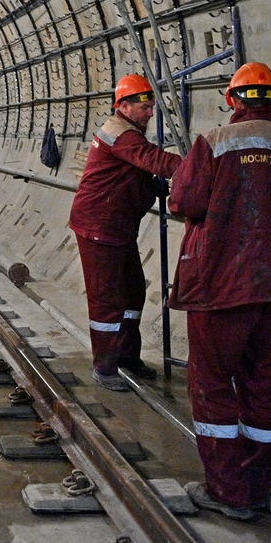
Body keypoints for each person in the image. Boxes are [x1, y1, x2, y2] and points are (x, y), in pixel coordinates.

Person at [167, 62, 271, 521]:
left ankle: (227, 490)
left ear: (233, 100)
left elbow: (183, 202)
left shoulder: (216, 141)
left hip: (220, 285)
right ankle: (256, 484)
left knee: (212, 386)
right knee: (261, 386)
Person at [69, 74, 182, 391]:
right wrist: (201, 166)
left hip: (117, 226)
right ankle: (105, 367)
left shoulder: (128, 131)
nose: (150, 114)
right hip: (99, 226)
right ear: (123, 106)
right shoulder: (122, 134)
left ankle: (127, 357)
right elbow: (154, 160)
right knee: (107, 299)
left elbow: (135, 170)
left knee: (133, 292)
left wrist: (147, 186)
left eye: (152, 108)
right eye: (144, 108)